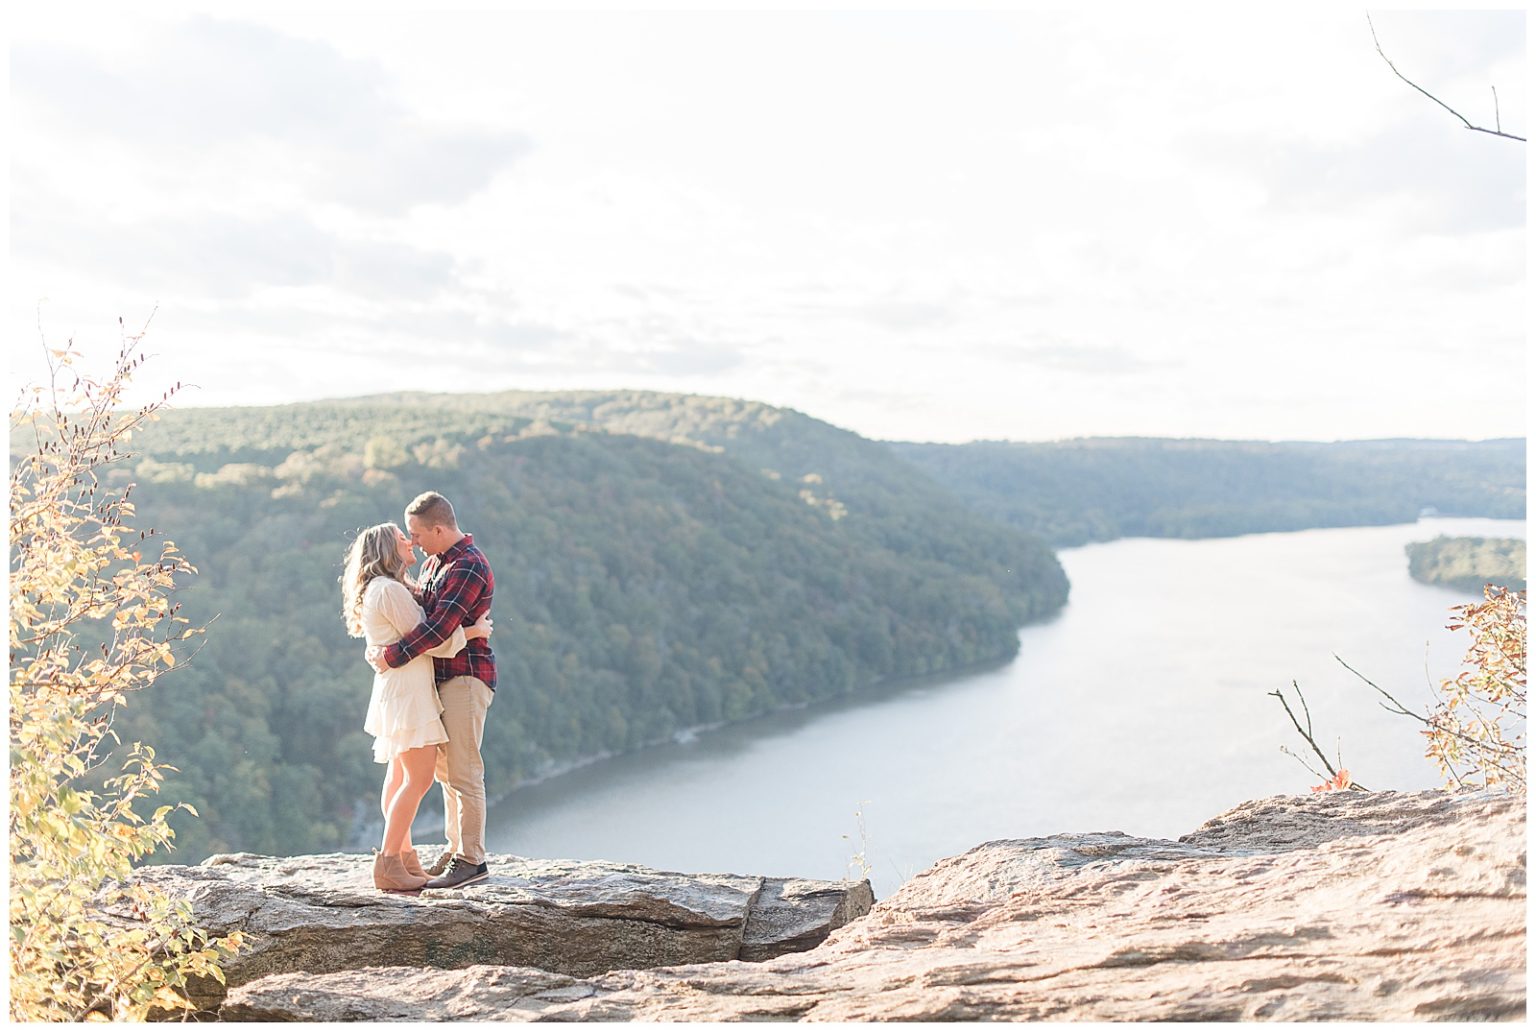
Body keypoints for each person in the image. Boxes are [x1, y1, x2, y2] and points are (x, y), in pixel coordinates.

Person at [341, 522, 491, 892]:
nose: (410, 542)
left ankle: (404, 858)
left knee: (398, 776)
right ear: (388, 551)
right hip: (409, 690)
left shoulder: (386, 587)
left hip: (399, 688)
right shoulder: (390, 590)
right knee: (418, 778)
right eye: (402, 538)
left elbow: (400, 636)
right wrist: (474, 632)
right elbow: (429, 638)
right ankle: (390, 860)